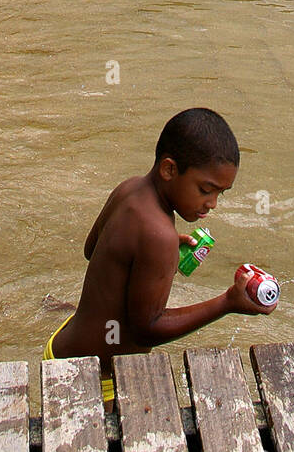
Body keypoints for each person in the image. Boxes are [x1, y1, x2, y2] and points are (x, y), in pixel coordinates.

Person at [44, 108, 276, 404]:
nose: (213, 203)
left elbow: (92, 250)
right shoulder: (159, 236)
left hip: (62, 348)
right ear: (169, 170)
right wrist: (226, 302)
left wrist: (146, 257)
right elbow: (146, 330)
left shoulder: (128, 189)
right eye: (206, 189)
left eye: (221, 193)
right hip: (93, 381)